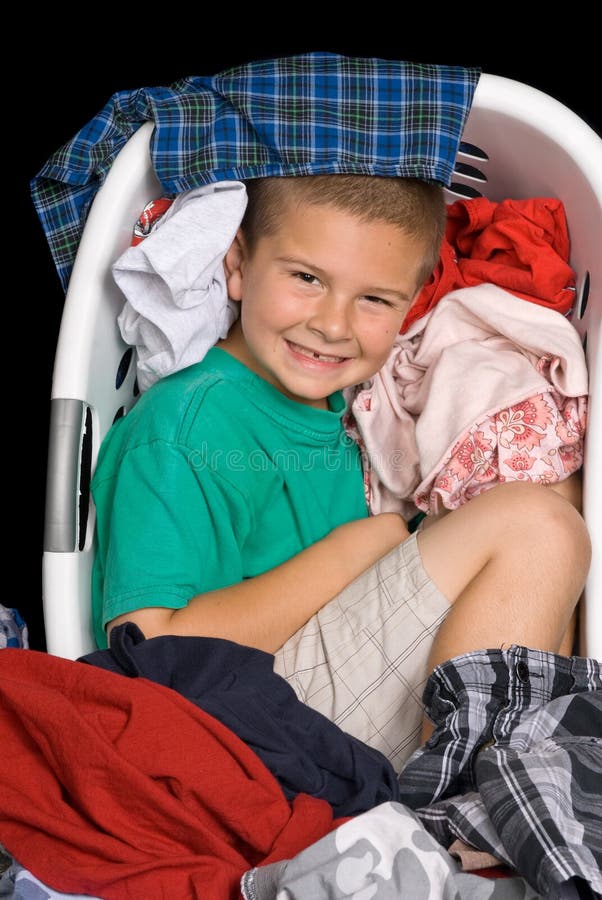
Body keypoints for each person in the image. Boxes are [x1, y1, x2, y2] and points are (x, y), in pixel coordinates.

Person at [91, 173, 591, 768]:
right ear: (238, 266)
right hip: (254, 733)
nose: (333, 324)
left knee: (552, 492)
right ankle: (464, 795)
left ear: (413, 299)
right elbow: (149, 651)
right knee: (538, 526)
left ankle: (500, 765)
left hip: (324, 697)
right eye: (307, 279)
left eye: (374, 299)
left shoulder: (344, 400)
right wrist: (352, 552)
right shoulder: (187, 429)